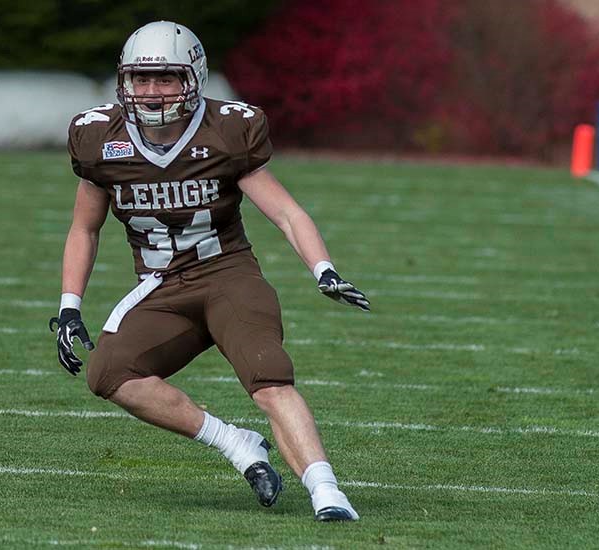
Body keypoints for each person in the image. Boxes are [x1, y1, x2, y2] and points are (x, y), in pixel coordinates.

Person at [50, 20, 370, 522]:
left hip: (227, 276)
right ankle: (237, 445)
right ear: (124, 81)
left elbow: (286, 211)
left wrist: (323, 269)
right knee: (108, 373)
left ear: (193, 78)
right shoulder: (99, 138)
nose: (151, 92)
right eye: (141, 79)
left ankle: (326, 491)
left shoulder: (226, 131)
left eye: (166, 79)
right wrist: (70, 307)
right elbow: (83, 229)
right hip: (160, 287)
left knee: (269, 379)